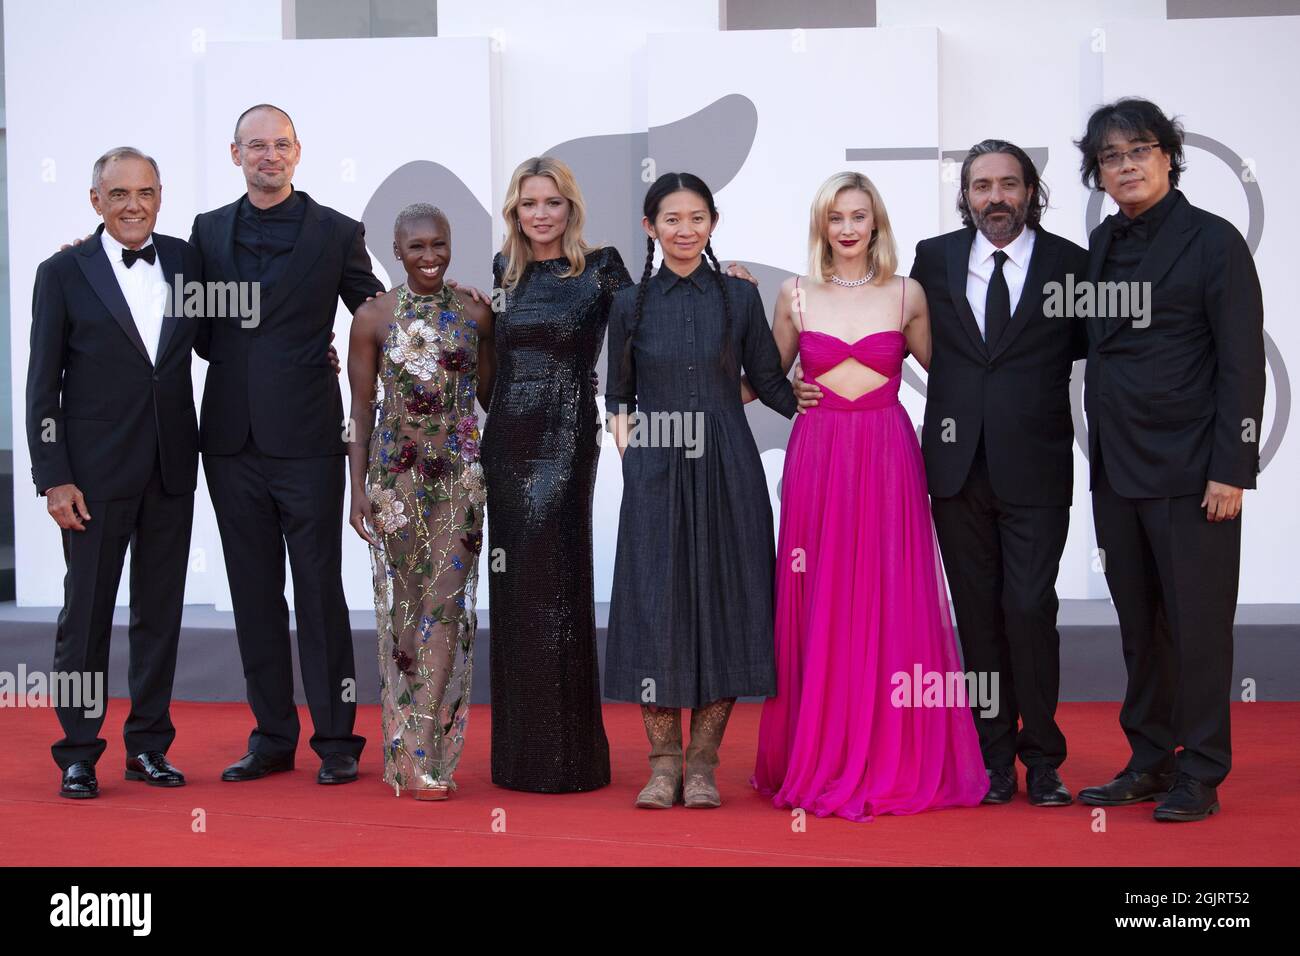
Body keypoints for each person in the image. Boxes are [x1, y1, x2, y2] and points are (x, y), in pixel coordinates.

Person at [798, 141, 1089, 807]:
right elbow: (899, 334)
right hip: (955, 470)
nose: (995, 196)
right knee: (978, 618)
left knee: (1029, 608)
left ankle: (1042, 759)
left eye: (1008, 184)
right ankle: (990, 762)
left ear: (1030, 191)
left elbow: (1093, 351)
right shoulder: (935, 260)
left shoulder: (1073, 265)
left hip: (1037, 469)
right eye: (981, 185)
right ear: (965, 196)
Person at [753, 171, 988, 821]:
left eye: (860, 216)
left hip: (887, 460)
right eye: (836, 218)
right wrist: (726, 304)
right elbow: (765, 377)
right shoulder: (793, 295)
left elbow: (954, 373)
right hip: (819, 458)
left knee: (889, 597)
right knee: (820, 595)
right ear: (821, 227)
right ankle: (822, 750)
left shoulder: (908, 294)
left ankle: (894, 752)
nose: (849, 228)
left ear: (876, 223)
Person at [1073, 98, 1265, 821]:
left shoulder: (1213, 242)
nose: (1125, 166)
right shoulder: (1097, 247)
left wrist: (1233, 467)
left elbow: (1243, 365)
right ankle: (1150, 760)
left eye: (1138, 151)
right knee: (1139, 625)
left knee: (1199, 626)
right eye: (1111, 158)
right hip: (1117, 469)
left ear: (1169, 156)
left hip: (1194, 472)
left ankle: (1203, 771)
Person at [190, 104, 385, 786]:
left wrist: (448, 308)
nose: (267, 156)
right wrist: (83, 258)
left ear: (297, 152)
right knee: (252, 592)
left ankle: (336, 741)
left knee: (318, 590)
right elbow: (183, 315)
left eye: (280, 145)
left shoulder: (336, 232)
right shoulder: (206, 231)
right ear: (234, 152)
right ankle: (272, 737)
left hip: (307, 437)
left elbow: (376, 314)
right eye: (255, 146)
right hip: (228, 439)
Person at [604, 172, 795, 809]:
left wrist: (836, 406)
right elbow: (618, 397)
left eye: (697, 219)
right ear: (649, 228)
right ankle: (662, 766)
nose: (685, 231)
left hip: (729, 466)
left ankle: (704, 764)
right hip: (655, 471)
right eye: (672, 220)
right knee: (655, 606)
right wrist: (638, 459)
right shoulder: (629, 303)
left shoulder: (739, 299)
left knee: (728, 601)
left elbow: (769, 379)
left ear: (713, 223)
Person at [27, 147, 202, 798]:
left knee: (159, 615)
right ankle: (77, 751)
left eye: (146, 192)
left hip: (171, 465)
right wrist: (54, 477)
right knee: (87, 614)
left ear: (161, 196)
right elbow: (42, 386)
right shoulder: (62, 272)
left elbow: (224, 337)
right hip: (92, 479)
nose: (134, 205)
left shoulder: (187, 261)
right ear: (95, 200)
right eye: (120, 193)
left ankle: (148, 747)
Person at [480, 157, 631, 792]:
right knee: (514, 595)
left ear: (571, 208)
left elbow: (641, 334)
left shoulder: (603, 268)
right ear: (516, 212)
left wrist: (721, 275)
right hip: (506, 441)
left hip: (568, 440)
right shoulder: (503, 273)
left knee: (562, 586)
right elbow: (492, 359)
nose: (540, 215)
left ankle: (571, 760)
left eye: (552, 203)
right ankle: (520, 759)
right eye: (528, 204)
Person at [346, 204, 492, 800]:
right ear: (396, 250)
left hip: (459, 478)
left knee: (445, 607)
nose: (429, 257)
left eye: (439, 244)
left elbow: (490, 392)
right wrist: (356, 491)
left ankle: (425, 749)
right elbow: (358, 412)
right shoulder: (372, 317)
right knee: (406, 608)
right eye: (417, 248)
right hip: (395, 478)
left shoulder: (476, 313)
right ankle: (406, 739)